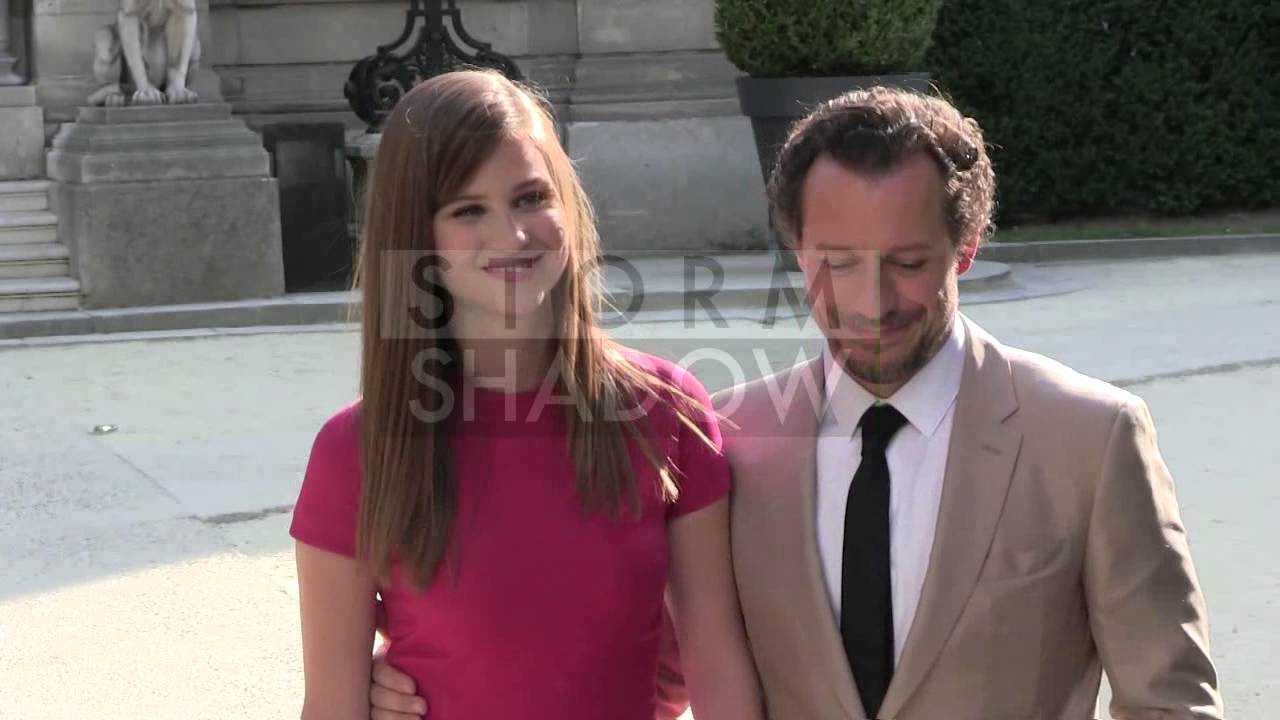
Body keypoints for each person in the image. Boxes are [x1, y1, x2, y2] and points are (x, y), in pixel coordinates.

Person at [371, 85, 1224, 719]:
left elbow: (1170, 702)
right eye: (836, 261)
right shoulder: (724, 439)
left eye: (909, 262)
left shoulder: (1090, 437)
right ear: (794, 247)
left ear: (965, 251)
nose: (868, 300)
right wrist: (420, 678)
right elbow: (654, 665)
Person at [290, 69, 764, 720]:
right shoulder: (355, 453)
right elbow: (332, 704)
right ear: (415, 236)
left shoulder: (666, 410)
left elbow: (717, 657)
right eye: (467, 210)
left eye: (530, 197)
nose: (512, 236)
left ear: (568, 203)